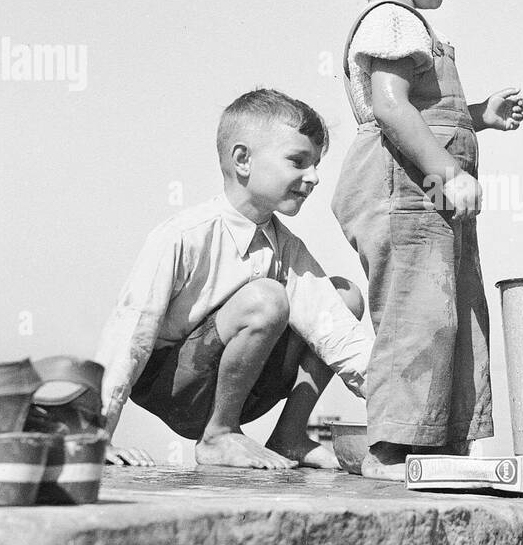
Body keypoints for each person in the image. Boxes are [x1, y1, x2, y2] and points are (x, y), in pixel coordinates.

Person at [330, 0, 523, 478]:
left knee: (452, 310)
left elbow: (418, 108)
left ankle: (439, 446)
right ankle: (391, 448)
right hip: (406, 189)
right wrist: (446, 168)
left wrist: (476, 118)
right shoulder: (391, 17)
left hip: (427, 193)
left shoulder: (409, 24)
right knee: (417, 314)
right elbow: (391, 106)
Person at [96, 87, 369, 470]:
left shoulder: (288, 246)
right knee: (267, 298)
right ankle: (218, 437)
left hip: (245, 386)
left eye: (317, 164)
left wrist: (400, 411)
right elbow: (132, 334)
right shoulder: (185, 234)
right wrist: (97, 434)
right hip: (174, 388)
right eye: (298, 161)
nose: (315, 177)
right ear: (243, 160)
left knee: (344, 296)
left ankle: (289, 436)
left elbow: (337, 331)